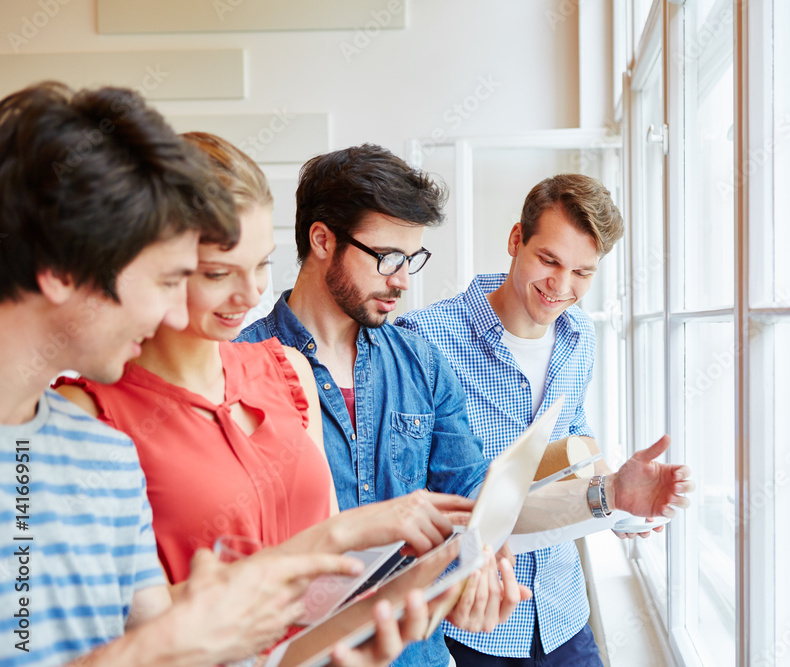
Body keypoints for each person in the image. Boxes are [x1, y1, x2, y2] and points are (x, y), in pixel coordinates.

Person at [0, 83, 428, 667]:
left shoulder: (96, 451)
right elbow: (154, 642)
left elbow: (152, 631)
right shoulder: (98, 420)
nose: (172, 311)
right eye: (167, 279)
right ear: (61, 270)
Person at [236, 144, 693, 667]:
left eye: (412, 260)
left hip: (421, 653)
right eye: (388, 257)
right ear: (322, 240)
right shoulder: (237, 370)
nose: (403, 280)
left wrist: (609, 496)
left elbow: (478, 506)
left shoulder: (421, 364)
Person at [55, 131, 466, 587]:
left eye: (262, 265)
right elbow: (122, 615)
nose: (251, 294)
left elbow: (328, 586)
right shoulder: (85, 417)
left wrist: (423, 596)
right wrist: (343, 534)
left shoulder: (289, 371)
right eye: (218, 273)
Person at [397, 174, 636, 664]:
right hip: (474, 622)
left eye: (582, 272)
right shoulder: (423, 338)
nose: (561, 286)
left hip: (563, 610)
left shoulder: (580, 336)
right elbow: (402, 485)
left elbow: (574, 429)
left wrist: (618, 499)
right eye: (549, 260)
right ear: (515, 240)